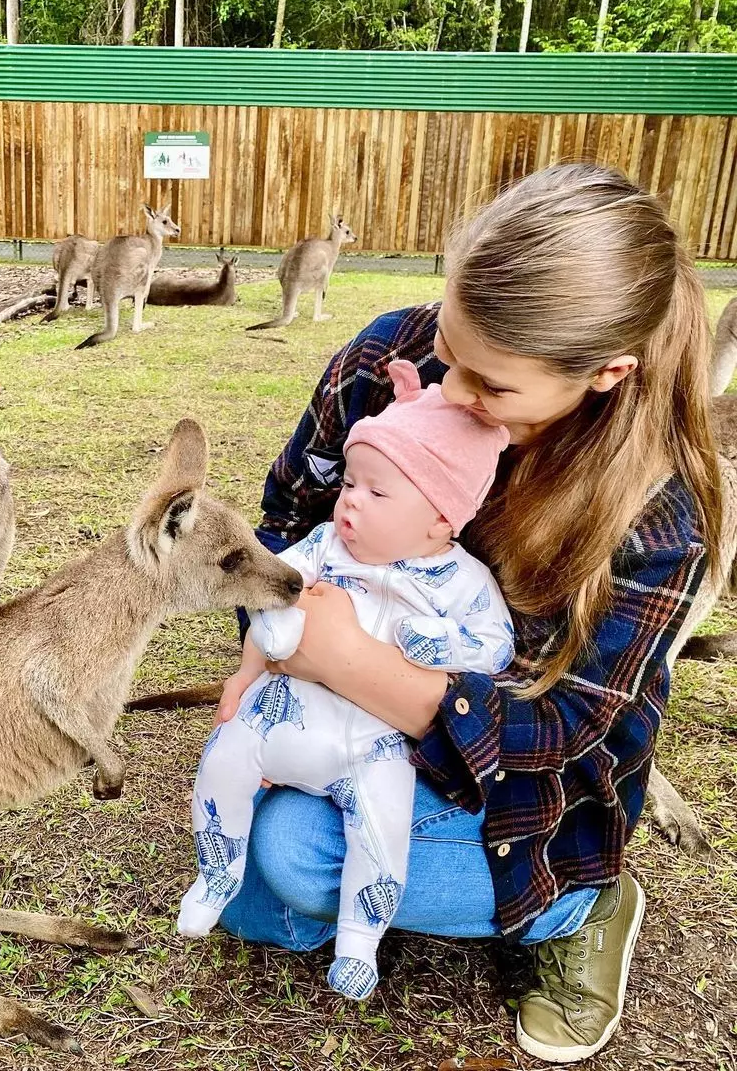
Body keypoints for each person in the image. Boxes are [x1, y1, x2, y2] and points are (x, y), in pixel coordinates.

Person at [214, 163, 722, 1064]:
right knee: (252, 839)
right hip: (350, 712)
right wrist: (268, 659)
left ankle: (580, 905)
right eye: (451, 351)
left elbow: (566, 727)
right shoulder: (386, 359)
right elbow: (288, 518)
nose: (450, 393)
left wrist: (341, 663)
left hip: (517, 776)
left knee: (290, 855)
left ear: (607, 373)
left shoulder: (656, 512)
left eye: (492, 387)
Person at [177, 359, 514, 1003]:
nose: (351, 500)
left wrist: (440, 642)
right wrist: (247, 676)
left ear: (442, 520)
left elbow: (494, 647)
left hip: (377, 743)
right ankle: (215, 874)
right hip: (288, 714)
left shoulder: (461, 581)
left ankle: (361, 939)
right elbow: (271, 594)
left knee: (379, 830)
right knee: (225, 760)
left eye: (378, 492)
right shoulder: (324, 545)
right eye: (350, 483)